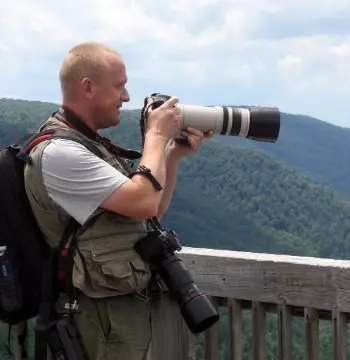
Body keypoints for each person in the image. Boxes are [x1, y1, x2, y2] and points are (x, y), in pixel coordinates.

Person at [23, 42, 214, 360]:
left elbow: (147, 211)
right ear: (88, 87)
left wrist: (173, 154)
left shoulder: (86, 145)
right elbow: (143, 201)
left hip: (115, 313)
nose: (126, 97)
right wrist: (155, 137)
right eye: (119, 86)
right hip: (97, 320)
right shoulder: (61, 153)